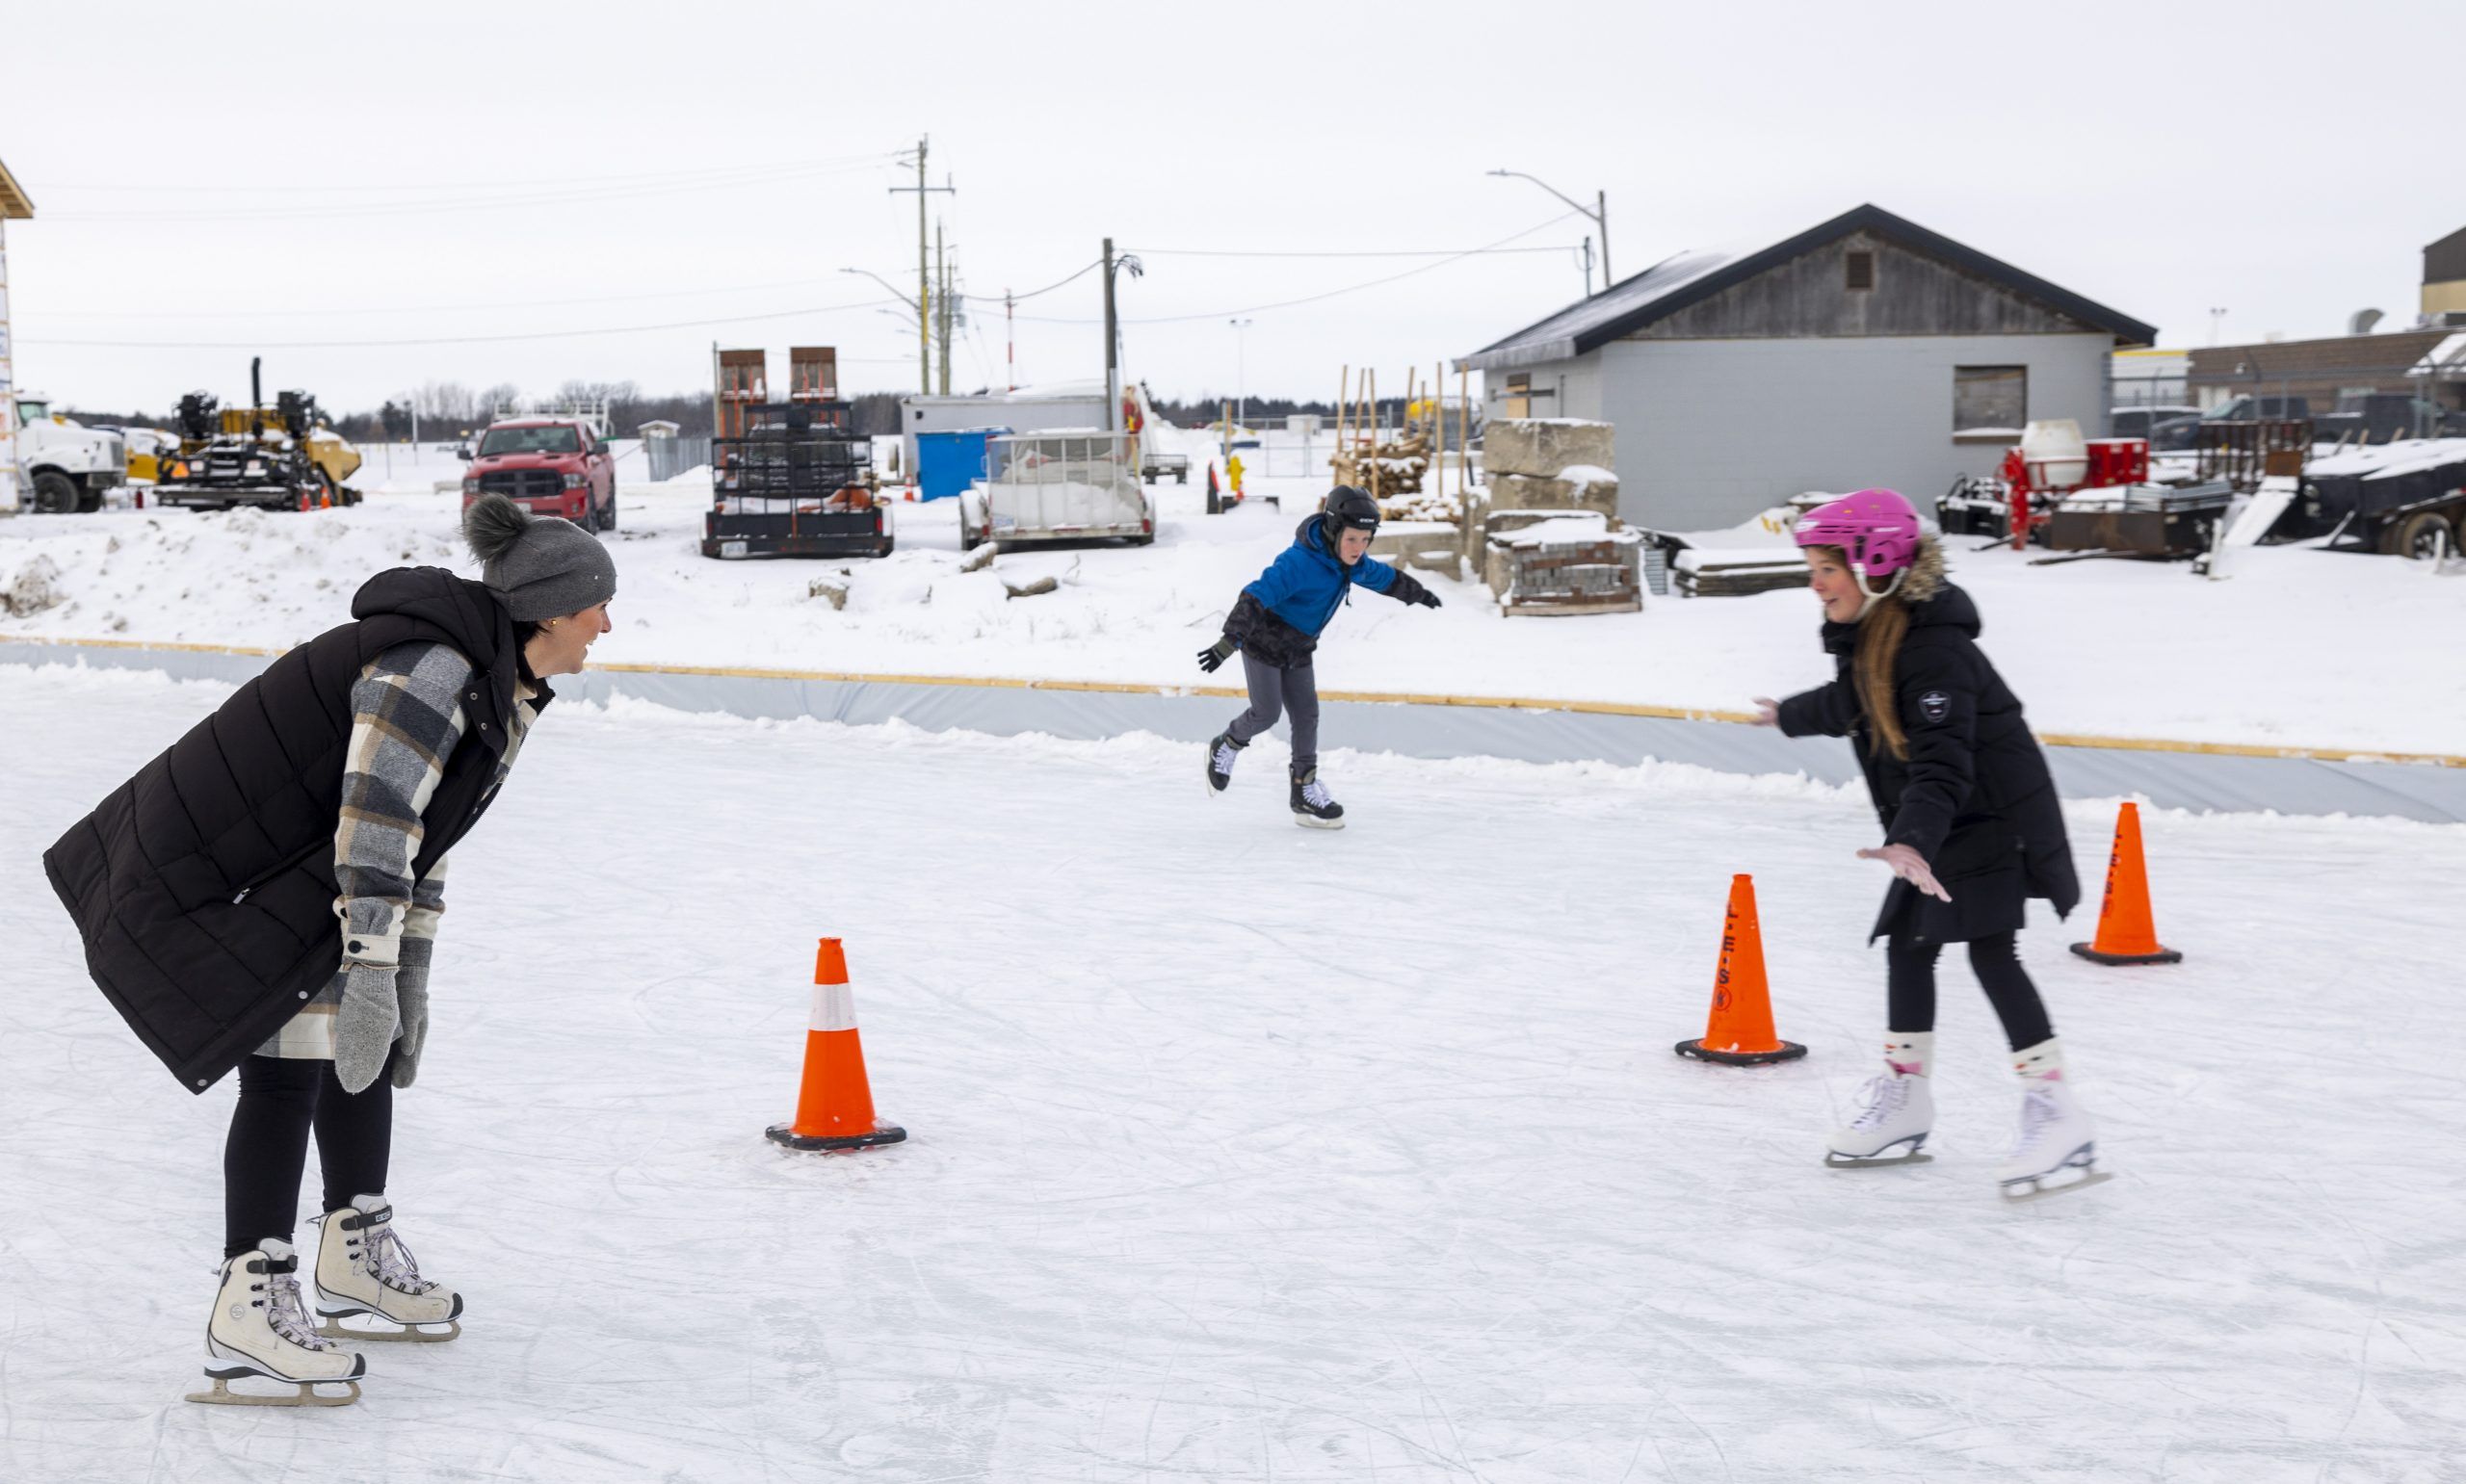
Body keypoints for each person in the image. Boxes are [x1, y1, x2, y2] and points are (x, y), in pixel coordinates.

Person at [43, 494, 616, 1404]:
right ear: (551, 608)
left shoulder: (493, 678)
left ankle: (352, 1250)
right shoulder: (433, 669)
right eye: (597, 605)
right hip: (213, 875)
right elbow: (377, 824)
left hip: (285, 869)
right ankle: (249, 1298)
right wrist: (375, 961)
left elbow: (425, 835)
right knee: (283, 1070)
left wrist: (402, 976)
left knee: (362, 1044)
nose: (605, 624)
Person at [1750, 488, 2097, 1197]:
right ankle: (1907, 1098)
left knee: (1993, 951)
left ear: (1874, 565)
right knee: (1911, 943)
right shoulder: (1881, 637)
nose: (1814, 584)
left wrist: (1910, 839)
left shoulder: (1931, 649)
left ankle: (2055, 1110)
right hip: (1948, 822)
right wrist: (1787, 715)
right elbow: (1849, 701)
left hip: (1986, 817)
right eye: (1812, 568)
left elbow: (1945, 762)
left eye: (1826, 567)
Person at [1196, 485, 1442, 827]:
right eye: (1352, 539)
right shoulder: (1298, 563)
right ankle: (1227, 743)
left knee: (1307, 715)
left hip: (1299, 648)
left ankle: (1304, 789)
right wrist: (1230, 640)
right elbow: (1256, 594)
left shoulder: (1350, 564)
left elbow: (1383, 578)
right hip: (1263, 641)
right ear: (1333, 530)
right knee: (1267, 713)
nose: (1359, 549)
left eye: (1366, 539)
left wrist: (1419, 594)